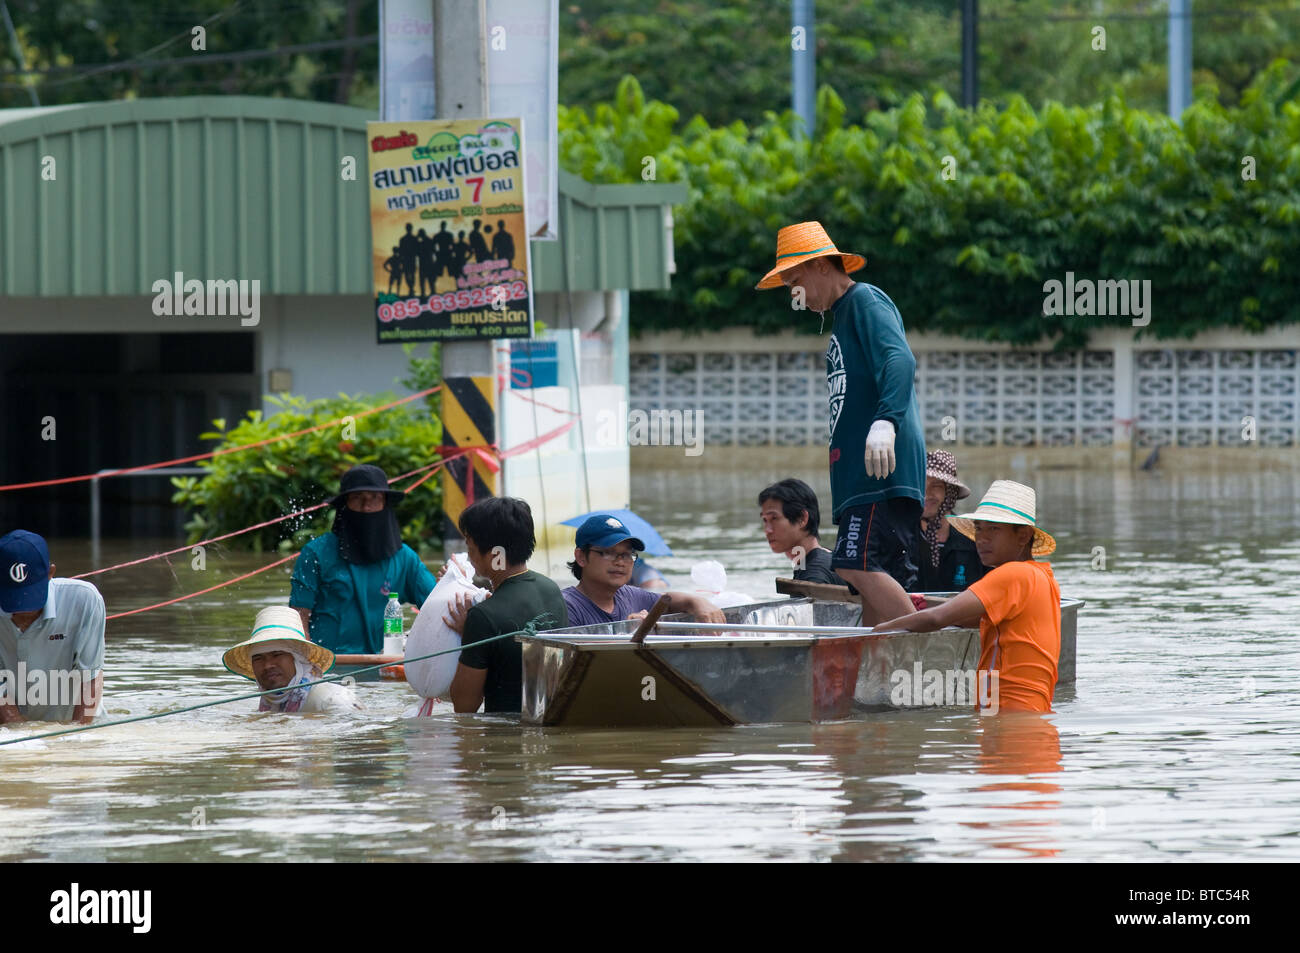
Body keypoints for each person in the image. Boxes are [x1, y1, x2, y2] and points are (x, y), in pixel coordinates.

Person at [757, 221, 925, 625]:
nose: (794, 295)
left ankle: (925, 653)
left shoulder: (865, 301)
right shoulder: (842, 317)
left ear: (821, 266)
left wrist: (885, 421)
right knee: (864, 581)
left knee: (852, 563)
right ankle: (878, 677)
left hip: (879, 474)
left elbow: (900, 360)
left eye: (795, 281)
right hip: (858, 477)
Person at [872, 481, 1061, 714]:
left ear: (1023, 536)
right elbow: (970, 619)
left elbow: (937, 619)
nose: (981, 538)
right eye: (979, 528)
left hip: (1007, 714)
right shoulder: (1044, 577)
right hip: (1032, 713)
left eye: (994, 529)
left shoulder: (1010, 575)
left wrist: (880, 629)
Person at [290, 464, 435, 655]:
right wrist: (308, 667)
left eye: (374, 498)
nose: (366, 507)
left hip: (382, 670)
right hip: (328, 669)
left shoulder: (405, 558)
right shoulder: (316, 553)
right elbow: (298, 619)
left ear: (385, 504)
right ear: (345, 505)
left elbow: (436, 608)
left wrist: (450, 584)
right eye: (357, 498)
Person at [442, 497, 568, 714]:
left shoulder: (482, 616)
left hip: (506, 735)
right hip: (552, 718)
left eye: (471, 549)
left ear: (496, 555)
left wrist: (469, 636)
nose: (470, 557)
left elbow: (464, 706)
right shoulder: (551, 589)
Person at [0, 530, 104, 724]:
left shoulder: (85, 600)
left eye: (30, 595)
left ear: (51, 573)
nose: (23, 611)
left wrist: (75, 735)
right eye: (13, 598)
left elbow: (91, 675)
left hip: (74, 719)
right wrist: (24, 733)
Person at [562, 515, 725, 626]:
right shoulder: (566, 606)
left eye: (627, 554)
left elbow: (666, 602)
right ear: (581, 556)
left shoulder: (629, 596)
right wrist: (627, 634)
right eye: (608, 553)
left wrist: (696, 602)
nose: (620, 562)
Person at [223, 606, 361, 713]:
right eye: (258, 658)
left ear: (298, 659)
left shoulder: (332, 702)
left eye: (277, 655)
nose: (267, 665)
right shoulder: (272, 701)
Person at [914, 450, 987, 593]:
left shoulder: (974, 539)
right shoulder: (901, 538)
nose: (927, 494)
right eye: (921, 485)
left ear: (950, 493)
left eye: (936, 486)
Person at [758, 478, 839, 584]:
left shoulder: (814, 575)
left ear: (802, 518)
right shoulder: (821, 560)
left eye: (774, 518)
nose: (767, 530)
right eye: (765, 520)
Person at [398, 223, 419, 296]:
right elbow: (401, 251)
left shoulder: (404, 239)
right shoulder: (405, 239)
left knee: (410, 274)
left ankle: (411, 289)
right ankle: (411, 288)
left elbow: (417, 250)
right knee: (409, 274)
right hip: (408, 259)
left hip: (409, 259)